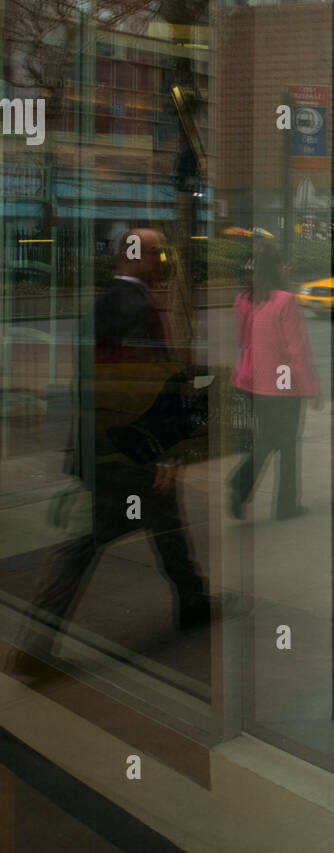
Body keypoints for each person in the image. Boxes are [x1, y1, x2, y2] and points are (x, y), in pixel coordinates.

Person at [7, 230, 212, 678]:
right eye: (157, 253)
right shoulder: (138, 308)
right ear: (133, 256)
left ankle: (194, 599)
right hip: (127, 449)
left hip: (104, 445)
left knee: (165, 522)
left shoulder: (100, 304)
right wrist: (160, 451)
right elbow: (140, 387)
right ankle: (34, 646)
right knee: (89, 539)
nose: (162, 261)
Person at [228, 240, 322, 520]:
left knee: (268, 438)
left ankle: (243, 484)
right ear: (279, 268)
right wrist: (311, 387)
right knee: (286, 443)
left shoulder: (244, 299)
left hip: (252, 382)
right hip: (282, 386)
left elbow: (242, 342)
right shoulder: (285, 301)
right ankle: (284, 504)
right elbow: (296, 350)